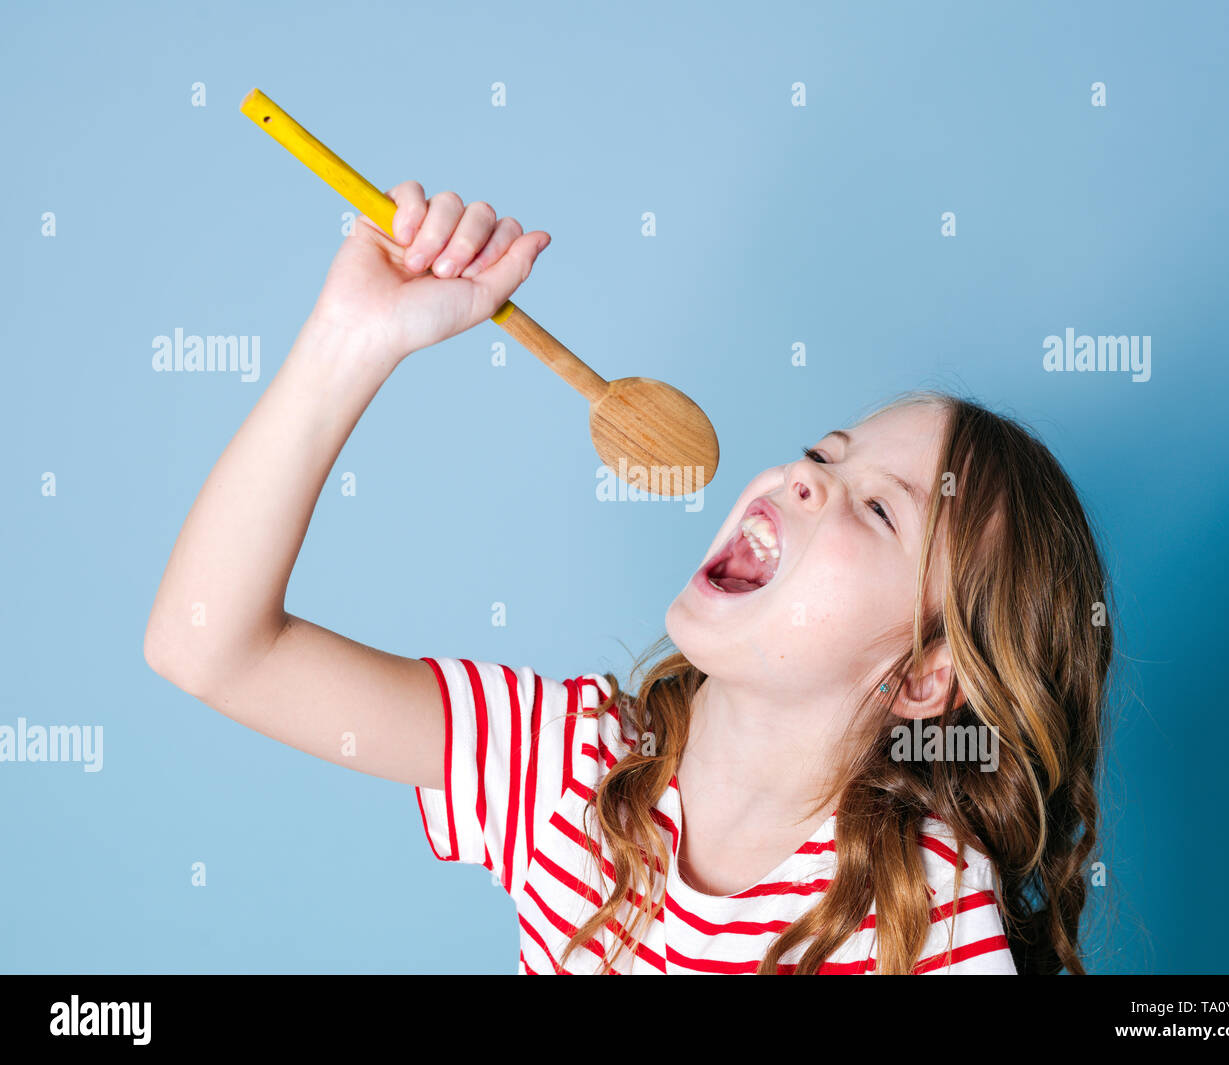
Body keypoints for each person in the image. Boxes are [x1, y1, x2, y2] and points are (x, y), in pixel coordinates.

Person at [145, 182, 1112, 974]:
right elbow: (207, 643)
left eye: (878, 507)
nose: (808, 475)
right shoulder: (565, 765)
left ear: (923, 677)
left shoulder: (925, 922)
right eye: (823, 451)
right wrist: (350, 338)